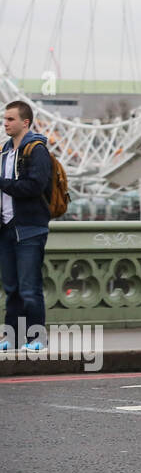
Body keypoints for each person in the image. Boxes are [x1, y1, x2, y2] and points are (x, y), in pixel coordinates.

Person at [0, 101, 52, 352]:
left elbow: (34, 187)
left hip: (30, 228)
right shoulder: (4, 152)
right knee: (12, 289)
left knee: (30, 288)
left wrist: (2, 183)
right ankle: (13, 336)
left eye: (10, 119)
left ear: (25, 123)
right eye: (5, 119)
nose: (5, 123)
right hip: (6, 228)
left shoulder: (37, 150)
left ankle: (37, 338)